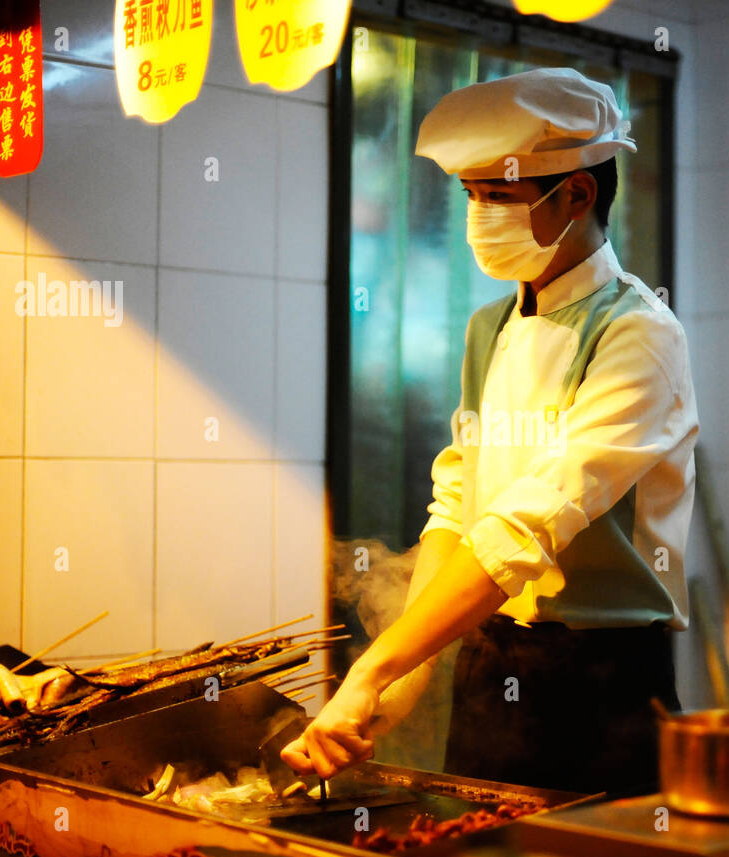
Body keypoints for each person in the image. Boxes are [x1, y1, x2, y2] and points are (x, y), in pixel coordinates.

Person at [285, 67, 698, 795]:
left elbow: (528, 523)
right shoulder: (489, 326)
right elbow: (460, 507)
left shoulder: (639, 333)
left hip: (602, 676)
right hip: (492, 661)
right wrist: (403, 668)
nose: (478, 216)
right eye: (470, 195)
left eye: (498, 196)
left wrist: (374, 666)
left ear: (577, 193)